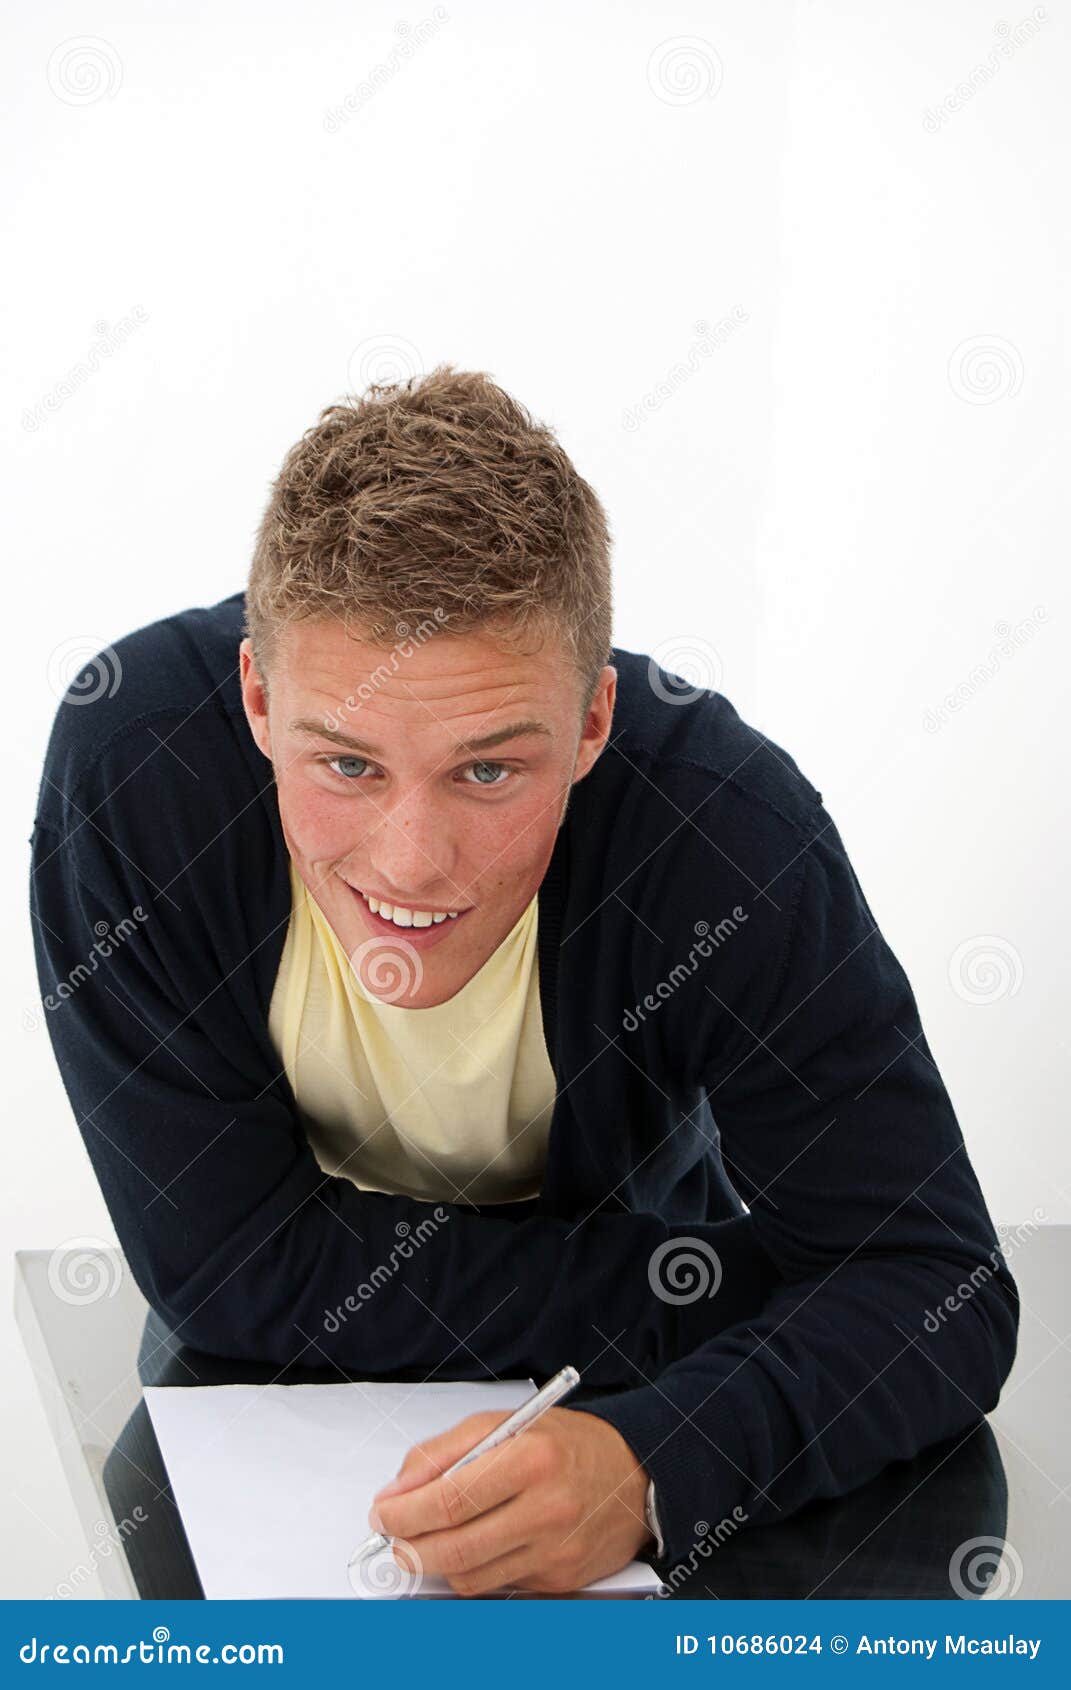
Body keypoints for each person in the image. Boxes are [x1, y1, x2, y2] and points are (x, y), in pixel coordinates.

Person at [30, 365, 1018, 1596]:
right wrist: (738, 1284)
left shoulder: (723, 835)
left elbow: (938, 1288)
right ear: (258, 700)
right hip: (286, 1388)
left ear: (595, 721)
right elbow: (229, 1276)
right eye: (346, 764)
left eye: (488, 772)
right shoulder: (137, 771)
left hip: (632, 1370)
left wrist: (657, 1464)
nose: (411, 863)